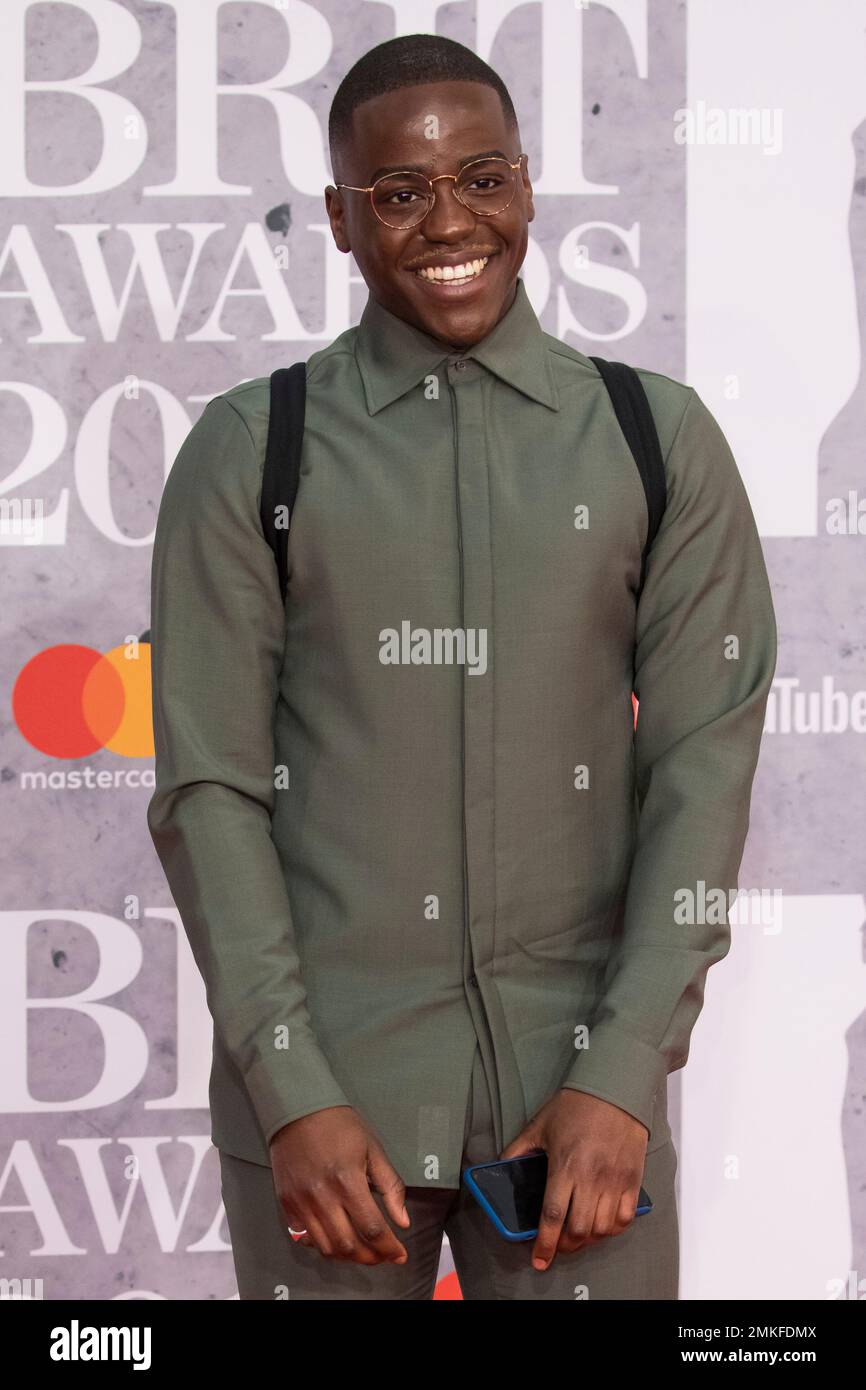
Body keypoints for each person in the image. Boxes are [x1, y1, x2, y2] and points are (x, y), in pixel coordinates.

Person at [147, 33, 777, 1300]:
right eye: (400, 192)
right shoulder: (246, 453)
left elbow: (700, 773)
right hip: (332, 1120)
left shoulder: (655, 440)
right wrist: (292, 1092)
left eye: (481, 177)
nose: (451, 221)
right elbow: (211, 793)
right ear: (338, 218)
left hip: (579, 1114)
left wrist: (621, 1069)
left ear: (527, 187)